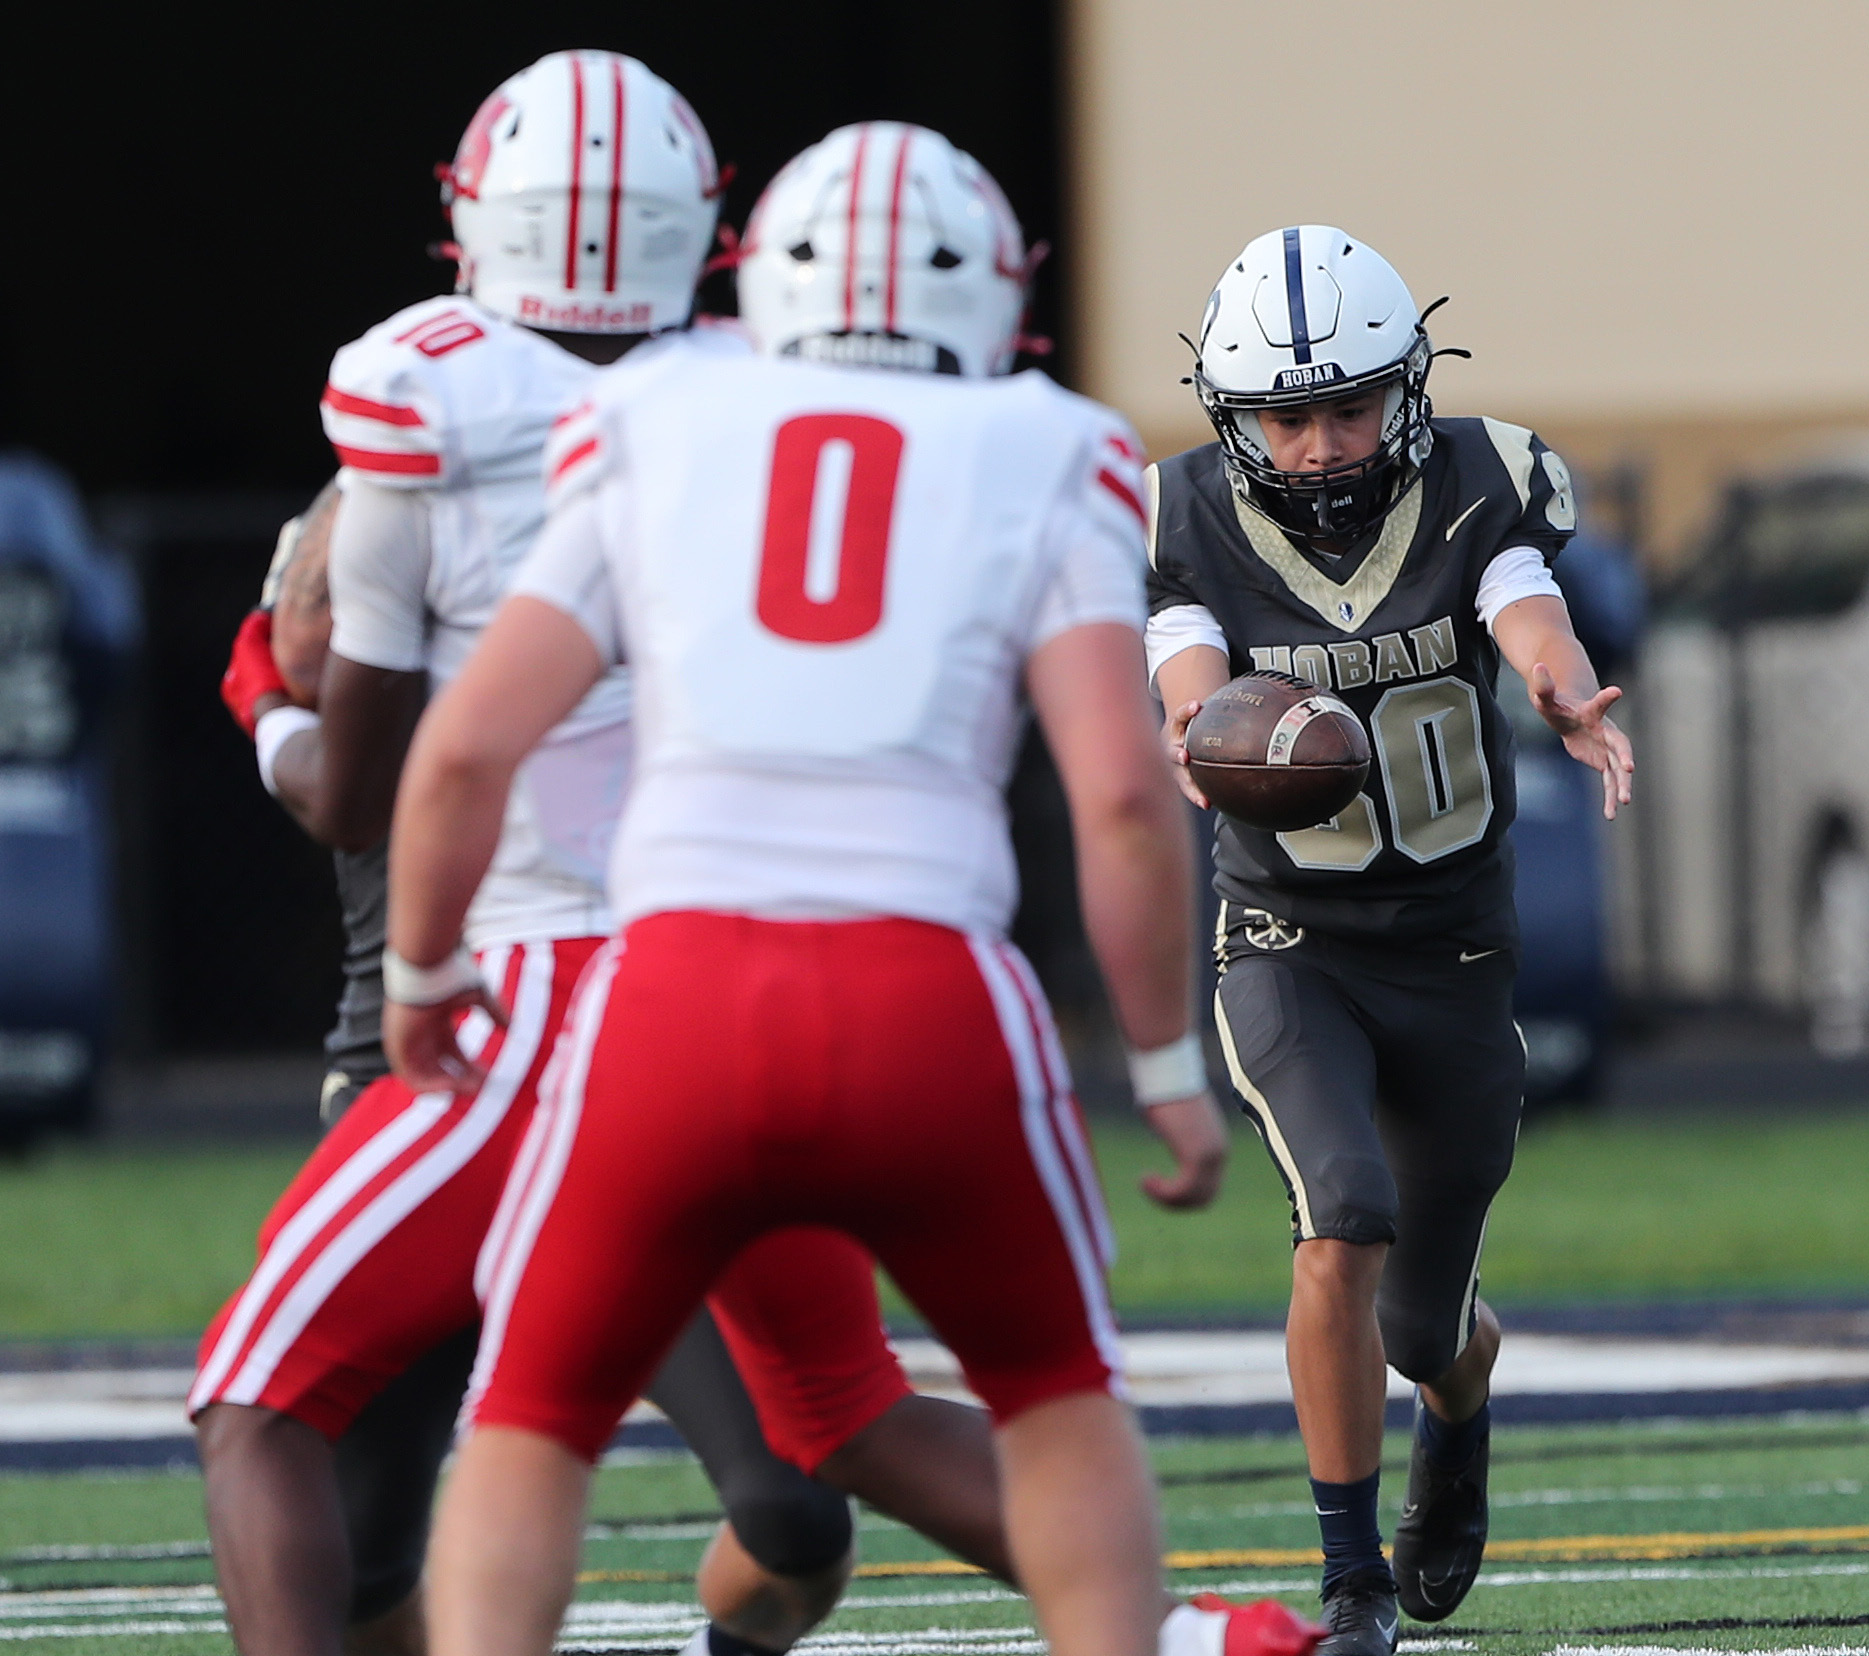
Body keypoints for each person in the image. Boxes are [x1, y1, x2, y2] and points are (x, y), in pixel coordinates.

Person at [380, 122, 1316, 1656]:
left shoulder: (650, 415)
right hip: (929, 1001)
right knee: (1058, 1403)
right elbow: (1126, 801)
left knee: (532, 1416)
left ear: (759, 282)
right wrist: (1166, 1068)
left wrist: (422, 979)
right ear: (999, 293)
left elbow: (464, 752)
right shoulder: (1047, 442)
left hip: (670, 1001)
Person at [199, 64, 1012, 1656]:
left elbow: (345, 774)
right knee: (368, 1547)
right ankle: (1179, 1623)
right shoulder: (744, 416)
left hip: (565, 1014)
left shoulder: (429, 426)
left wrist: (261, 699)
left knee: (793, 1494)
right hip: (475, 1023)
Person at [1145, 227, 1635, 1656]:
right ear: (1237, 421)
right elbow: (1187, 664)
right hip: (1291, 938)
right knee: (1339, 1213)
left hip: (1455, 955)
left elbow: (1521, 606)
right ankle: (1351, 1583)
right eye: (1286, 416)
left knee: (1424, 1330)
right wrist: (1195, 727)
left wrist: (1564, 689)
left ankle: (1460, 1399)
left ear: (1409, 387)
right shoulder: (1183, 518)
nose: (1316, 444)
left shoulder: (1481, 483)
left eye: (1347, 404)